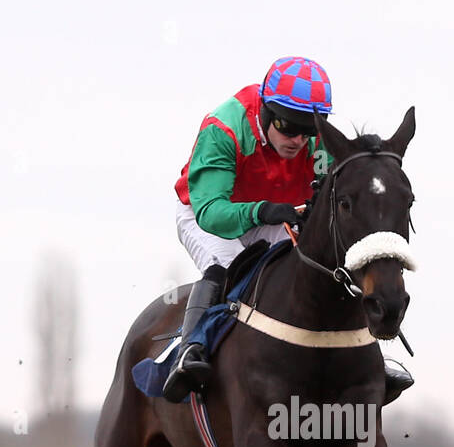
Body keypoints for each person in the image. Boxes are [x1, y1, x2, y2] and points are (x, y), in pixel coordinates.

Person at [164, 56, 414, 404]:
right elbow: (210, 211)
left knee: (317, 269)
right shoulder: (224, 129)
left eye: (307, 130)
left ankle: (367, 356)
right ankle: (191, 351)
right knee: (228, 269)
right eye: (286, 126)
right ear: (265, 110)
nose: (297, 140)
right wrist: (262, 210)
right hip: (209, 214)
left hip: (277, 212)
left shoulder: (320, 143)